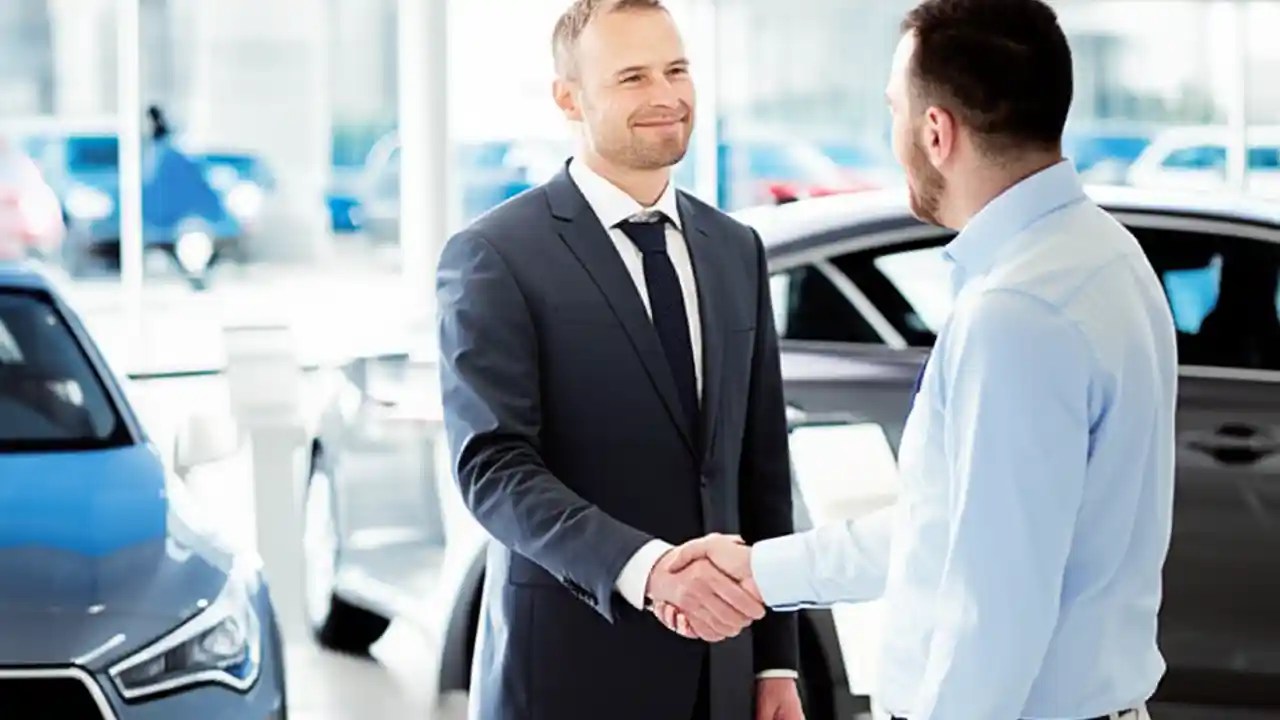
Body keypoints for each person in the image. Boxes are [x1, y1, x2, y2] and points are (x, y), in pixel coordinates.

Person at [661, 1, 1177, 718]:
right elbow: (956, 527)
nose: (892, 132)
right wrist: (759, 570)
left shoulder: (1019, 314)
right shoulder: (1107, 257)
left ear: (936, 132)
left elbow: (994, 606)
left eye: (894, 109)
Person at [435, 1, 801, 718]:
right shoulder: (496, 255)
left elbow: (761, 468)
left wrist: (775, 662)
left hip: (721, 677)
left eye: (677, 70)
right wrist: (650, 570)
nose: (666, 96)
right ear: (568, 97)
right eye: (633, 77)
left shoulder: (735, 249)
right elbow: (494, 468)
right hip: (569, 674)